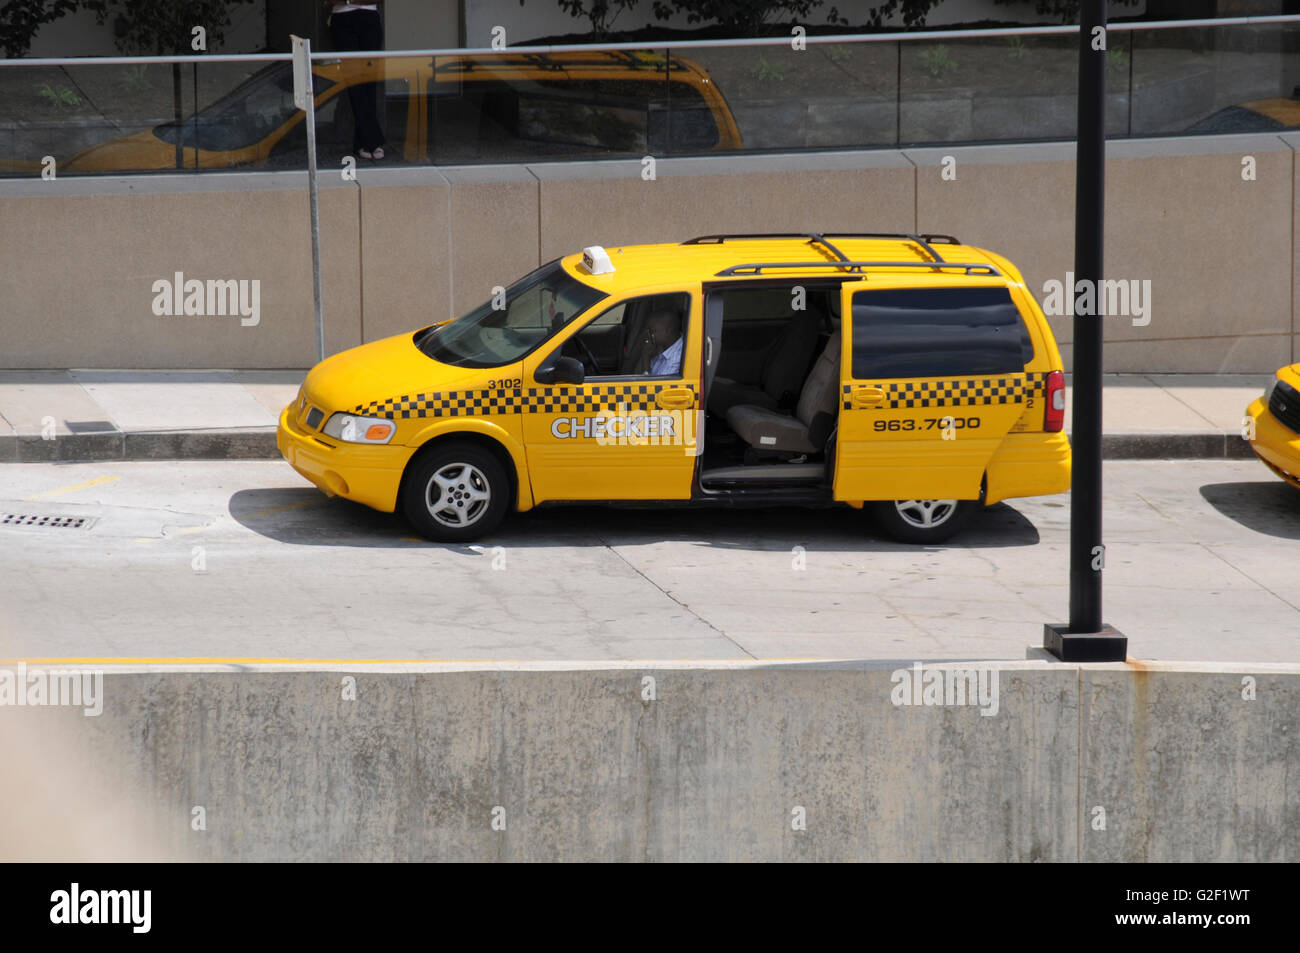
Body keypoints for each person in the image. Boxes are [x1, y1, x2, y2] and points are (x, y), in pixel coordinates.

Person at [327, 2, 387, 160]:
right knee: (354, 81)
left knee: (369, 81)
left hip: (369, 17)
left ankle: (362, 142)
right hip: (342, 19)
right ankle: (372, 141)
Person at [644, 309, 683, 376]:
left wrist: (645, 360)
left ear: (668, 331)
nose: (649, 336)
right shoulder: (663, 347)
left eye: (653, 331)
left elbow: (655, 385)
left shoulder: (678, 357)